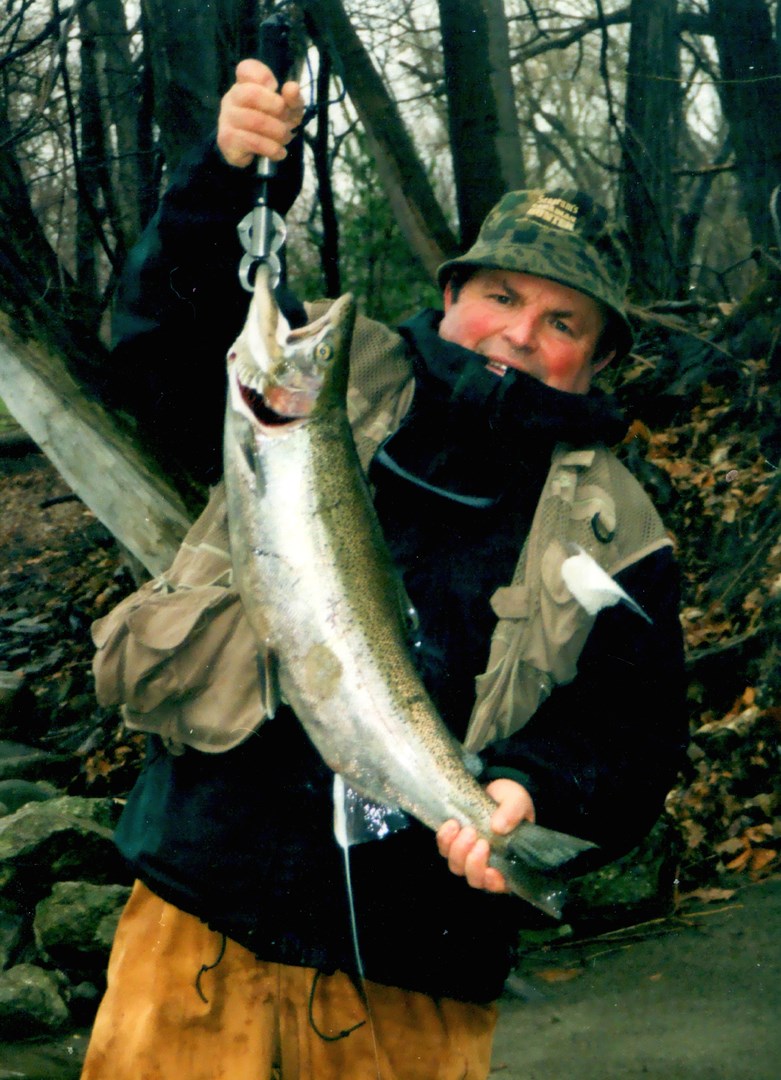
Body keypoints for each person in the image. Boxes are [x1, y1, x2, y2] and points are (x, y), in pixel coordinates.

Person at [81, 60, 687, 1080]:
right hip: (198, 919)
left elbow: (634, 731)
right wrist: (224, 174)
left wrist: (528, 793)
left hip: (418, 978)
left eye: (561, 323)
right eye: (501, 296)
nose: (519, 337)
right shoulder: (327, 380)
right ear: (452, 297)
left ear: (596, 357)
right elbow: (153, 341)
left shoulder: (617, 527)